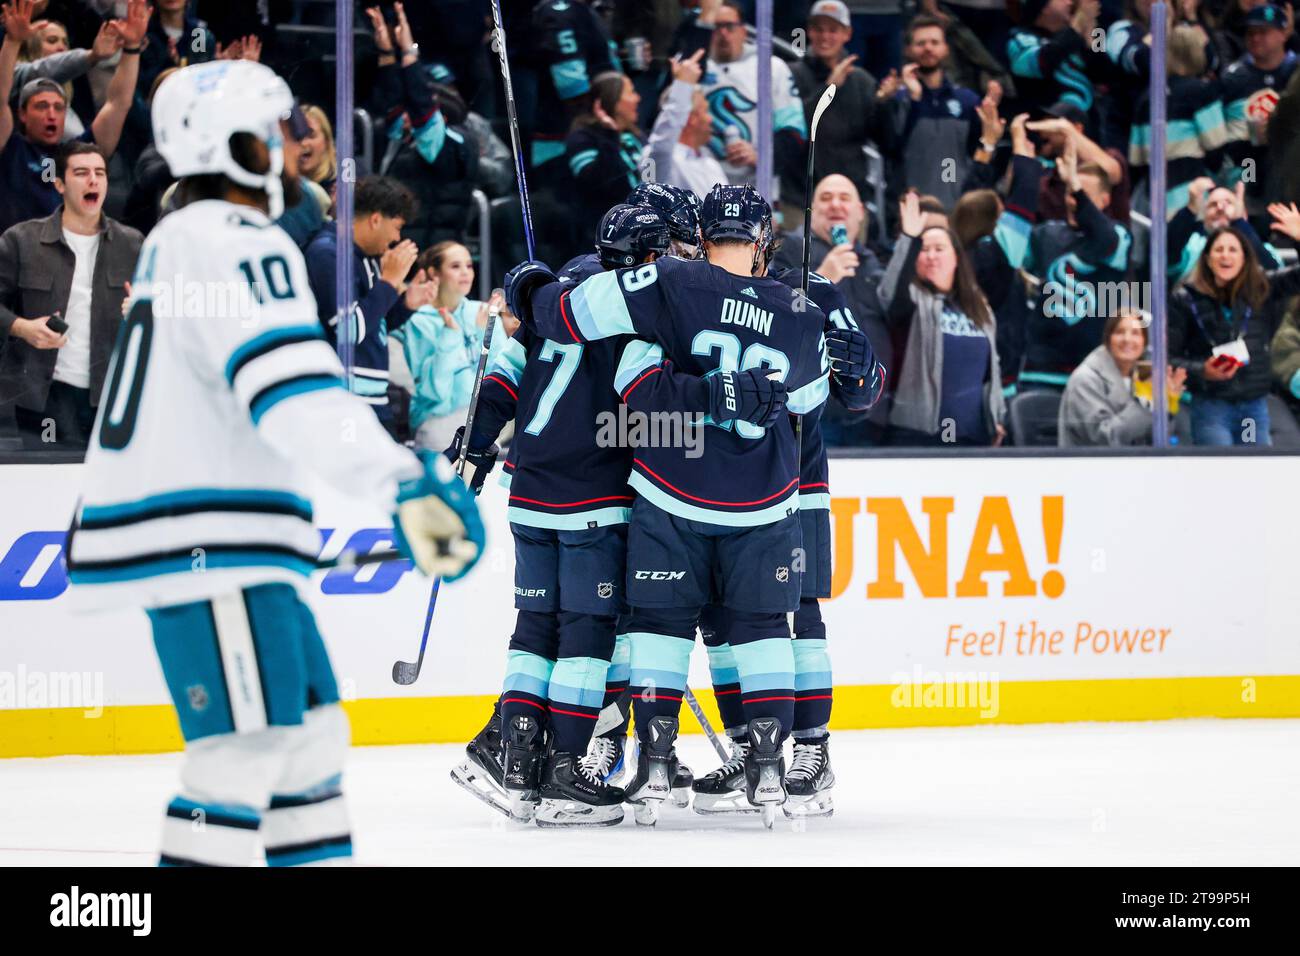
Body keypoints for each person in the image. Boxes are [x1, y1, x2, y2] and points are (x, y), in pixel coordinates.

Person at [65, 60, 484, 868]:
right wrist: (403, 483)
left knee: (310, 738)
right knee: (246, 753)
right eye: (275, 134)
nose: (292, 150)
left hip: (210, 531)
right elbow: (290, 392)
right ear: (235, 145)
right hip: (205, 537)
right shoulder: (231, 242)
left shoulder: (181, 239)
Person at [453, 202, 785, 825]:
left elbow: (506, 368)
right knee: (590, 634)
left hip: (529, 487)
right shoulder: (645, 304)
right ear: (654, 252)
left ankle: (519, 759)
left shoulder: (565, 283)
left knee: (536, 629)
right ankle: (568, 766)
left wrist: (476, 439)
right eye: (678, 246)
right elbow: (648, 405)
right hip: (597, 495)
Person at [693, 224, 883, 819]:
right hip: (713, 487)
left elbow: (864, 390)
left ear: (765, 242)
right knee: (719, 618)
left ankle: (812, 750)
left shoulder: (812, 291)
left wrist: (858, 365)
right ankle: (752, 748)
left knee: (795, 610)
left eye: (742, 235)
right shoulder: (695, 288)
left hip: (795, 483)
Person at [0, 142, 141, 449]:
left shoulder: (132, 245)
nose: (93, 180)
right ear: (60, 183)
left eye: (100, 173)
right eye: (81, 173)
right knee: (45, 492)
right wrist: (21, 327)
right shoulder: (22, 240)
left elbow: (165, 315)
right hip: (45, 399)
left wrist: (143, 310)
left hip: (110, 397)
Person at [304, 175, 436, 435]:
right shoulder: (328, 253)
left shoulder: (366, 256)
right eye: (397, 227)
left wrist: (406, 304)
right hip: (345, 402)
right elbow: (347, 330)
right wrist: (389, 283)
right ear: (376, 219)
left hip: (372, 400)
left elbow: (372, 325)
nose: (397, 238)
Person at [0, 0, 146, 235]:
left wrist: (131, 48)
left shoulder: (78, 152)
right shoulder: (10, 149)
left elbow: (118, 104)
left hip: (73, 259)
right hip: (16, 260)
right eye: (41, 106)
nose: (51, 114)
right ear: (22, 115)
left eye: (58, 107)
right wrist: (12, 41)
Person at [879, 191, 1006, 445]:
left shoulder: (978, 307)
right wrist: (909, 239)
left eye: (939, 249)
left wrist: (996, 417)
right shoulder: (912, 299)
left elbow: (993, 371)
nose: (932, 255)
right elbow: (890, 294)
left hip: (974, 435)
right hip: (918, 436)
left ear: (956, 258)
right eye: (924, 250)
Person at [775, 172, 893, 443]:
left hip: (870, 410)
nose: (835, 205)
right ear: (811, 211)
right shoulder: (789, 249)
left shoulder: (872, 259)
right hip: (812, 410)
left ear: (860, 212)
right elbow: (773, 311)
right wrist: (821, 276)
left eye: (844, 198)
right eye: (825, 198)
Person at [1169, 223, 1300, 445]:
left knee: (1253, 471)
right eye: (1219, 250)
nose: (1225, 256)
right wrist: (1203, 371)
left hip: (1253, 406)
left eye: (1232, 250)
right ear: (1208, 258)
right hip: (1212, 407)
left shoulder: (1263, 288)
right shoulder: (1185, 299)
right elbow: (1168, 358)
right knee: (1220, 473)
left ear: (1244, 258)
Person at [1021, 142, 1133, 390]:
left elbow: (1105, 240)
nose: (1073, 201)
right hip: (1041, 372)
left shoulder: (1119, 236)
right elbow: (1008, 253)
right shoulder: (1045, 235)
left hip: (1094, 375)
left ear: (1104, 201)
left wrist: (1076, 185)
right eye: (1070, 193)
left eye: (1081, 194)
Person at [368, 4, 477, 250]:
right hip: (404, 249)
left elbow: (420, 106)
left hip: (432, 254)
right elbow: (392, 105)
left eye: (415, 115)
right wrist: (387, 54)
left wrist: (408, 51)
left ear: (443, 117)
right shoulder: (410, 138)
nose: (408, 117)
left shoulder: (455, 143)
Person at [683, 1, 807, 202]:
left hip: (757, 193)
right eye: (716, 26)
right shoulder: (692, 68)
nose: (723, 33)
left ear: (743, 30)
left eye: (729, 26)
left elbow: (794, 132)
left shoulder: (772, 68)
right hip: (701, 191)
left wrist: (761, 157)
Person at [954, 112, 1042, 393]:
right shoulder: (998, 252)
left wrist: (989, 144)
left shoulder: (958, 244)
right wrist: (1019, 142)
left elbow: (971, 197)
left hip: (966, 366)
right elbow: (1026, 194)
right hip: (996, 373)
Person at [394, 240, 506, 451]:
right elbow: (434, 390)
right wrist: (450, 335)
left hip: (482, 423)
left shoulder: (483, 312)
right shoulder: (418, 321)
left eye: (469, 266)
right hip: (437, 427)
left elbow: (498, 380)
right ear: (434, 274)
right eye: (455, 266)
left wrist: (483, 333)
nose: (465, 272)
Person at [883, 14, 983, 209]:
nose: (928, 48)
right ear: (908, 50)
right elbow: (892, 147)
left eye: (934, 42)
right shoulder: (897, 100)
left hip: (957, 208)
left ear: (945, 48)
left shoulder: (967, 101)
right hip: (910, 208)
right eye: (921, 43)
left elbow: (976, 154)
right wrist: (915, 100)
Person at [789, 1, 883, 203]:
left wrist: (885, 104)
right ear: (809, 32)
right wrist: (829, 87)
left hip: (850, 196)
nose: (825, 37)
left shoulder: (862, 80)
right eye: (818, 29)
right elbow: (796, 128)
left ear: (847, 34)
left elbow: (884, 140)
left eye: (833, 30)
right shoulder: (792, 74)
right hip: (799, 197)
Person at [1058, 311, 1188, 446]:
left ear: (1144, 342)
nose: (1127, 339)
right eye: (1120, 332)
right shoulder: (1085, 379)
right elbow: (1105, 438)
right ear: (1108, 339)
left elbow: (1161, 440)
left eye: (1135, 333)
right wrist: (1145, 402)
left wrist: (1167, 405)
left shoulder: (1140, 378)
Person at [1221, 4, 1298, 224]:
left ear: (1283, 33)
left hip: (1287, 161)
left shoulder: (1295, 72)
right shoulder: (1234, 77)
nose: (1255, 38)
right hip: (1247, 158)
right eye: (1251, 33)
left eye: (1263, 32)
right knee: (1248, 189)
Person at [564, 71, 645, 253]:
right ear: (612, 100)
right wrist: (610, 135)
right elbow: (599, 185)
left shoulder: (635, 136)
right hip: (605, 240)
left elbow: (650, 179)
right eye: (631, 92)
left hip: (642, 232)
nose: (638, 98)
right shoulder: (582, 138)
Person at [639, 47, 726, 198]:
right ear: (691, 118)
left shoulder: (711, 164)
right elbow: (662, 142)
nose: (710, 119)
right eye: (705, 111)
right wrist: (682, 86)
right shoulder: (657, 157)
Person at [1168, 178, 1283, 282]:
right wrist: (1190, 210)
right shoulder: (1192, 245)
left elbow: (1276, 281)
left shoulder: (1265, 249)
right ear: (1205, 218)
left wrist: (1238, 222)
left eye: (1228, 203)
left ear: (1244, 214)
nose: (1220, 207)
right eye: (1213, 205)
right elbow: (1165, 258)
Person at [1007, 0, 1107, 117]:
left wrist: (1093, 33)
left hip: (1087, 124)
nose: (1069, 3)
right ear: (1044, 7)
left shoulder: (1095, 32)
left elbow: (1105, 76)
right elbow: (1040, 64)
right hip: (1044, 123)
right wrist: (1076, 27)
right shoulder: (1019, 38)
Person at [297, 103, 337, 196]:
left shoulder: (344, 182)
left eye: (311, 135)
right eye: (297, 136)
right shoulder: (281, 185)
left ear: (327, 141)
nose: (303, 143)